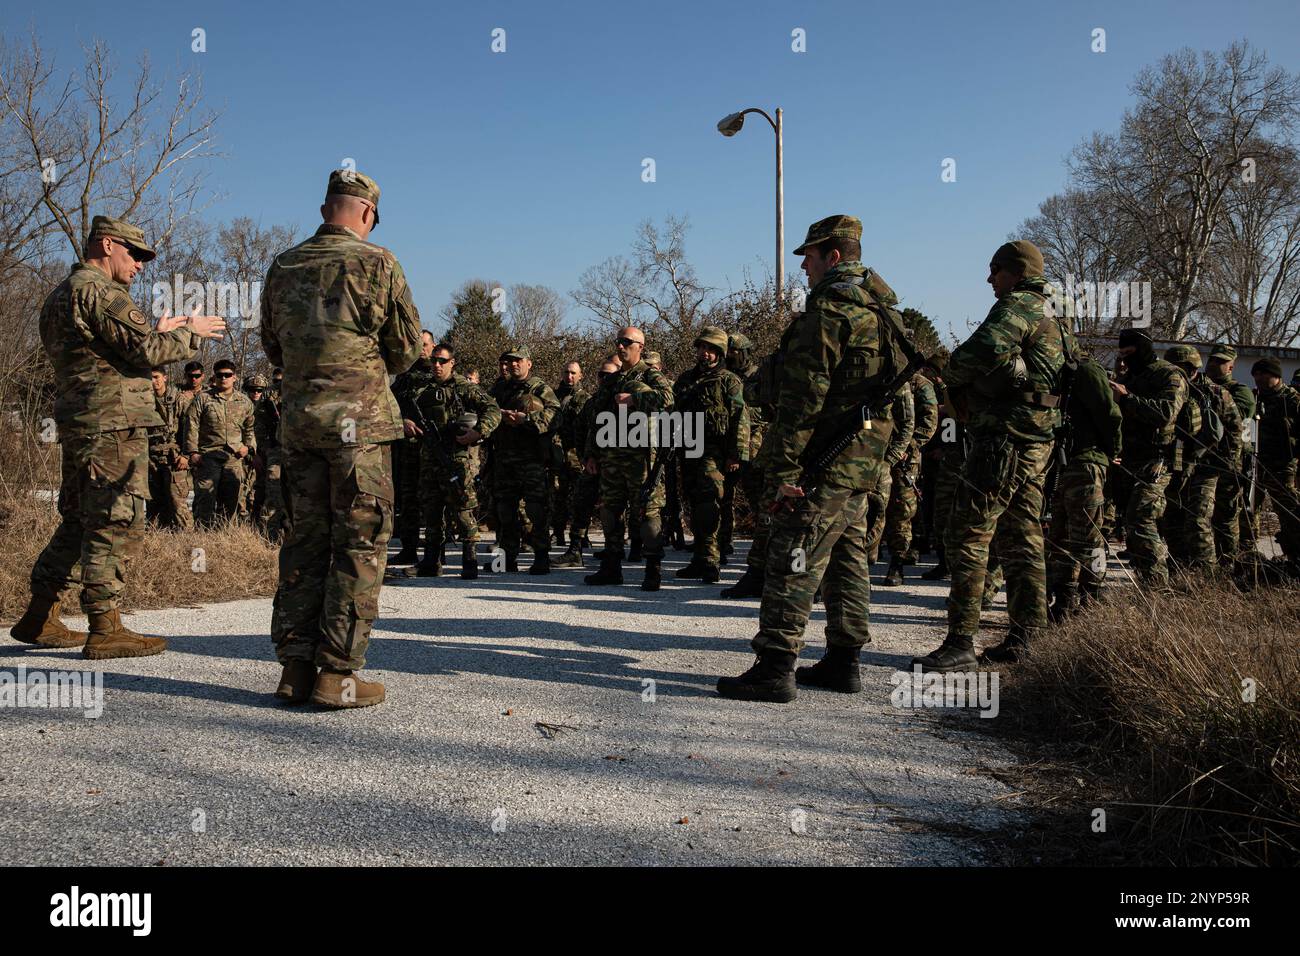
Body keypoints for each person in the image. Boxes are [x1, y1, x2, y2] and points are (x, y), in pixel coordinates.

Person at [9, 215, 225, 655]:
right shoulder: (100, 291)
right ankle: (105, 626)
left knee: (77, 519)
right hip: (113, 427)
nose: (141, 264)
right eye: (135, 254)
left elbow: (111, 353)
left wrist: (156, 334)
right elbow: (145, 351)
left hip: (83, 423)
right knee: (114, 518)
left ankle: (39, 616)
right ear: (107, 245)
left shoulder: (61, 295)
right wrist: (188, 335)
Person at [717, 215, 904, 703]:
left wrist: (782, 473)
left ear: (833, 257)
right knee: (846, 560)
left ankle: (775, 667)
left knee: (792, 557)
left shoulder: (830, 315)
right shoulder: (884, 314)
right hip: (862, 462)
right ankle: (845, 662)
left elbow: (802, 405)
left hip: (822, 462)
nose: (804, 268)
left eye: (810, 258)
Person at [259, 169, 422, 709]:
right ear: (367, 214)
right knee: (358, 546)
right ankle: (338, 675)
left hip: (300, 428)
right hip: (360, 432)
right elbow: (404, 351)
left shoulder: (282, 266)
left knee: (305, 543)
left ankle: (295, 669)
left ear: (327, 206)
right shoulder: (378, 263)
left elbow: (275, 349)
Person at [913, 240, 1067, 670]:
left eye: (995, 269)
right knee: (1022, 537)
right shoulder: (1056, 310)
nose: (989, 279)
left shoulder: (1019, 304)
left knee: (967, 534)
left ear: (1016, 271)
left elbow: (980, 350)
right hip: (1037, 439)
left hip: (1004, 439)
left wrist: (950, 373)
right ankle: (1027, 637)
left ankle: (961, 642)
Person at [582, 327, 675, 590]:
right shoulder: (611, 380)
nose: (620, 347)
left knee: (647, 513)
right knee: (610, 511)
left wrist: (635, 399)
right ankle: (611, 567)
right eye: (618, 342)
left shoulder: (650, 374)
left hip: (641, 457)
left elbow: (668, 400)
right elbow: (597, 419)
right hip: (611, 456)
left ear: (640, 347)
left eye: (627, 342)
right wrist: (591, 453)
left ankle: (653, 570)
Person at [408, 343, 499, 577]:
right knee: (431, 510)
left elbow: (492, 409)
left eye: (442, 361)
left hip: (458, 459)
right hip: (430, 458)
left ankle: (469, 563)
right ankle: (431, 562)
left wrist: (478, 432)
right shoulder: (422, 389)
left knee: (463, 509)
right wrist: (405, 423)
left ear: (452, 363)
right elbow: (402, 411)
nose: (437, 365)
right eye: (434, 361)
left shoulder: (464, 388)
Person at [1044, 344, 1121, 619]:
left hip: (1088, 462)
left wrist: (1113, 452)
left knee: (1090, 538)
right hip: (1060, 463)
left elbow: (1109, 413)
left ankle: (1093, 599)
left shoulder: (1087, 371)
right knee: (1060, 536)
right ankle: (1064, 600)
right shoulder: (1053, 370)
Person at [1107, 328, 1187, 587]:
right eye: (1122, 355)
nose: (1125, 359)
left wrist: (1127, 398)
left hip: (1158, 460)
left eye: (1130, 353)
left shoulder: (1169, 374)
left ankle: (1157, 586)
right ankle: (1146, 583)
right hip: (1129, 460)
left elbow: (1166, 413)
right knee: (1131, 525)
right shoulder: (1130, 376)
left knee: (1141, 518)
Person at [672, 327, 748, 582]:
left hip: (714, 450)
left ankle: (711, 561)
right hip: (688, 447)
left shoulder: (729, 380)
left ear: (720, 353)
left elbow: (740, 418)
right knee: (693, 501)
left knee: (708, 503)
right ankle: (699, 559)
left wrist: (736, 454)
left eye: (710, 349)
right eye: (702, 348)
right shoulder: (684, 380)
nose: (704, 353)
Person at [488, 346, 560, 574]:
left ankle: (541, 558)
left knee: (536, 510)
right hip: (503, 458)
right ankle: (505, 560)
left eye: (518, 361)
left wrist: (526, 419)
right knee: (504, 511)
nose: (513, 365)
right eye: (510, 361)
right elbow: (486, 409)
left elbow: (556, 415)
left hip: (532, 459)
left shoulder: (540, 388)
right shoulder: (500, 387)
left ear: (529, 363)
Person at [185, 358, 256, 526]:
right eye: (220, 375)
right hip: (208, 456)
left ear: (235, 377)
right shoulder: (203, 399)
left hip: (233, 457)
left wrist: (248, 446)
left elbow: (250, 427)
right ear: (214, 377)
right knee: (205, 499)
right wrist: (193, 452)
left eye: (227, 375)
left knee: (231, 500)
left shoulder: (244, 401)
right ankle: (203, 536)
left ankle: (225, 536)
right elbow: (191, 425)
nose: (223, 378)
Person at [1205, 346, 1256, 564]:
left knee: (1226, 514)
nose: (1215, 365)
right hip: (1206, 458)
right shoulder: (1201, 387)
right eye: (1213, 360)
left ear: (1231, 366)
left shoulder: (1239, 391)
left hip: (1231, 460)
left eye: (1221, 362)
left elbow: (1234, 419)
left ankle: (1230, 560)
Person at [391, 330, 438, 564]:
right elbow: (386, 406)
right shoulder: (403, 377)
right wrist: (401, 422)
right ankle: (409, 549)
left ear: (433, 345)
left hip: (434, 449)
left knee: (433, 501)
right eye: (418, 344)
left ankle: (434, 553)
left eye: (426, 344)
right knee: (408, 501)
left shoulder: (440, 374)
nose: (422, 349)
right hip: (407, 450)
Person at [1250, 357, 1300, 572]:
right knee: (1249, 509)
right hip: (1255, 463)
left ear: (1277, 376)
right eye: (1256, 374)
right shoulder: (1253, 398)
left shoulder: (1292, 399)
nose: (1259, 378)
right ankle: (1249, 554)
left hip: (1284, 465)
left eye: (1264, 374)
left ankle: (1294, 555)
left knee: (1289, 512)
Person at [146, 366, 193, 530]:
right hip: (151, 457)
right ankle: (156, 539)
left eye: (156, 377)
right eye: (150, 377)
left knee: (177, 501)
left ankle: (186, 539)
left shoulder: (178, 399)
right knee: (153, 501)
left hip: (175, 457)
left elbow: (191, 429)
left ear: (165, 377)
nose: (154, 381)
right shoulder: (144, 400)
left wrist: (186, 455)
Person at [552, 361, 589, 552]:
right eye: (566, 372)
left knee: (581, 496)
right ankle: (558, 533)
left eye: (574, 373)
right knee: (558, 495)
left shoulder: (585, 398)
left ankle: (582, 535)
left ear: (581, 375)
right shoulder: (553, 396)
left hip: (576, 454)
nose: (569, 376)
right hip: (557, 452)